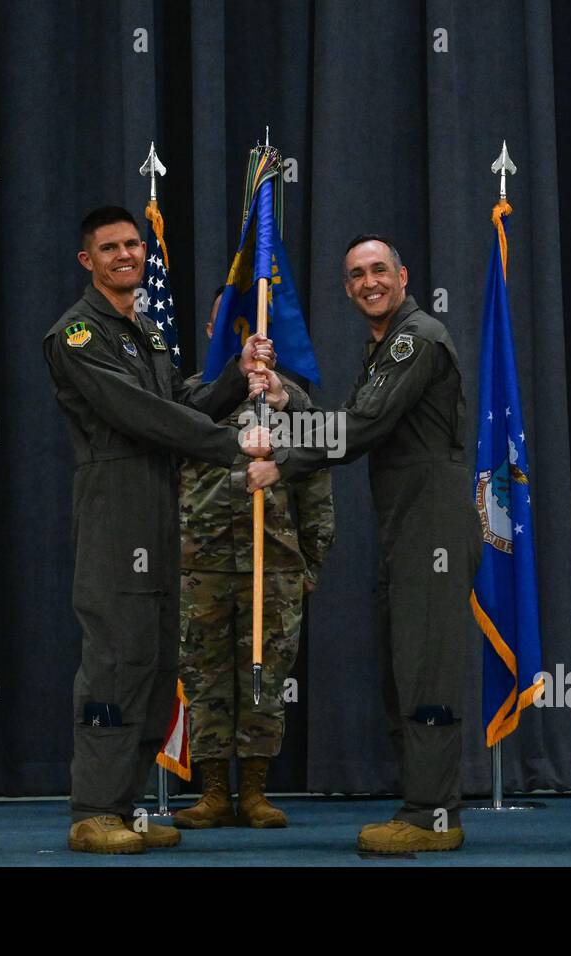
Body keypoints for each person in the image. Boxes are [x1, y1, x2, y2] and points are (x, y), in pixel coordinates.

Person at [43, 207, 276, 854]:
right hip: (115, 512)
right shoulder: (77, 335)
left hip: (159, 509)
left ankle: (125, 803)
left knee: (151, 665)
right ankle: (93, 810)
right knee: (115, 663)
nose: (126, 255)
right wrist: (238, 447)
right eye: (110, 247)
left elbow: (179, 403)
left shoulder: (144, 330)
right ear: (87, 260)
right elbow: (143, 414)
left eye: (133, 245)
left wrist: (236, 375)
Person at [246, 235, 481, 853]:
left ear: (403, 275)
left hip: (432, 527)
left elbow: (363, 426)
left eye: (380, 270)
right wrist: (285, 399)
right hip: (407, 525)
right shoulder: (385, 345)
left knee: (425, 671)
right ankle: (423, 806)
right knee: (405, 671)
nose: (369, 282)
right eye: (356, 275)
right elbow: (355, 414)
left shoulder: (416, 338)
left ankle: (433, 816)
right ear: (347, 288)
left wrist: (284, 460)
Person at [174, 288, 336, 829]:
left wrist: (311, 560)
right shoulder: (192, 399)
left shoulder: (296, 401)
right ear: (212, 331)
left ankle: (257, 793)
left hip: (276, 561)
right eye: (231, 323)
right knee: (206, 677)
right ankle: (215, 792)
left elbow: (316, 484)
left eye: (253, 324)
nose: (246, 334)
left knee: (265, 680)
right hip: (203, 562)